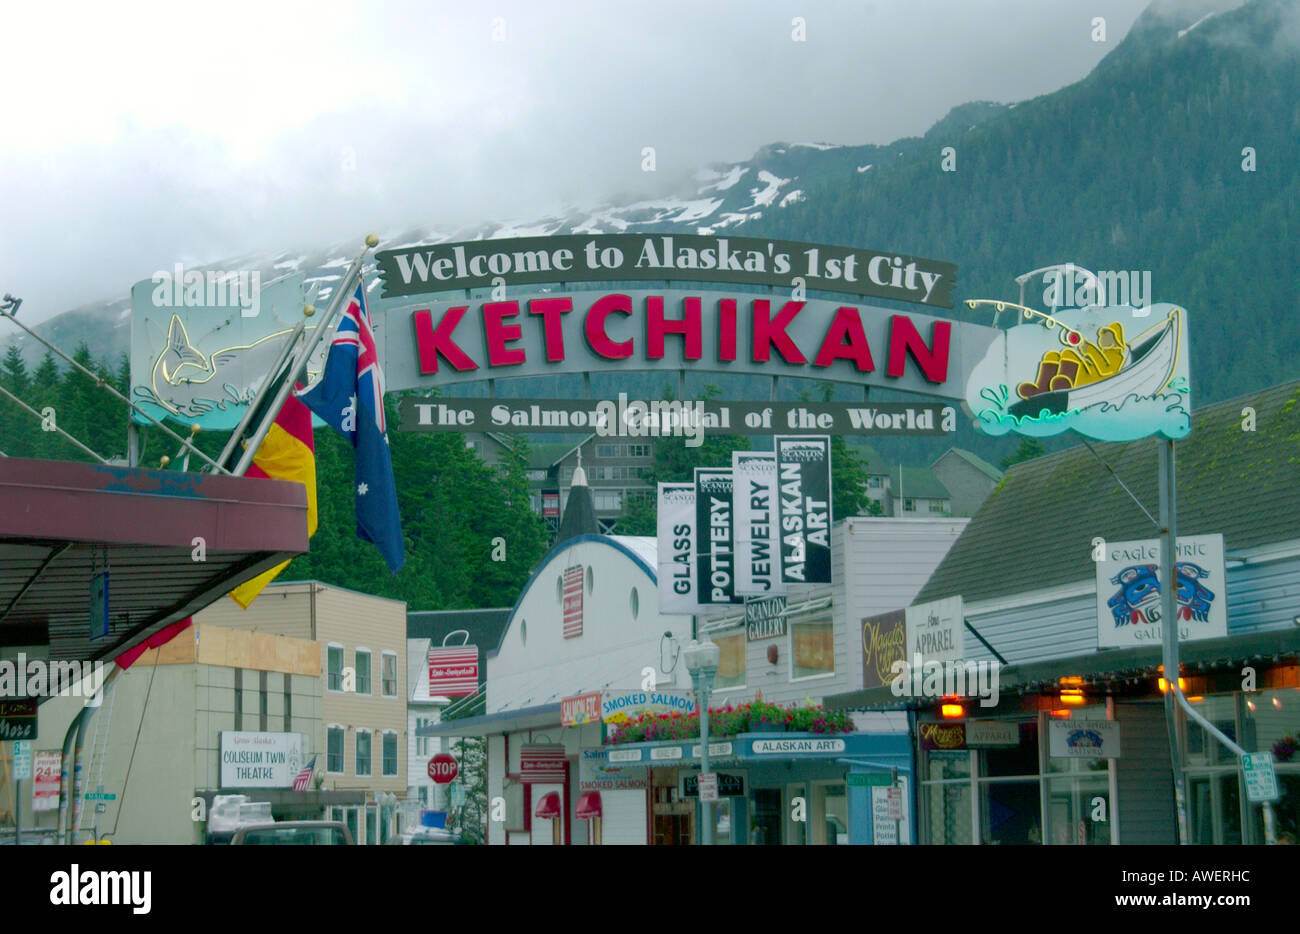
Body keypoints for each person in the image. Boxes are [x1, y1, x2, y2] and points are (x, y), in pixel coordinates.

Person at [1018, 322, 1126, 399]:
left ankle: (1064, 383)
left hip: (1093, 384)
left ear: (1116, 340)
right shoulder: (1103, 353)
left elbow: (1106, 370)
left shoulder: (1117, 356)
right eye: (1102, 336)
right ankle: (1041, 389)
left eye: (1107, 336)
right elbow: (1095, 364)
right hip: (1087, 376)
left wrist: (1090, 350)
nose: (1102, 339)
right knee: (1052, 355)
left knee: (1068, 353)